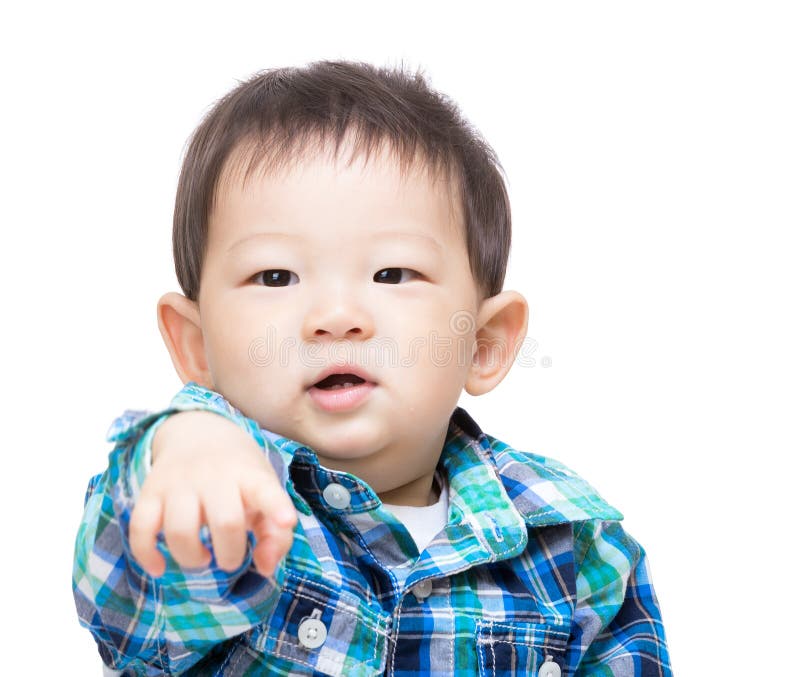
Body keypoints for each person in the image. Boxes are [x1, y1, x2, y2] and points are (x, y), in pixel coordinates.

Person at [72, 60, 672, 676]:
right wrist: (188, 446)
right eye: (275, 276)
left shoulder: (570, 541)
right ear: (197, 347)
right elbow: (123, 586)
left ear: (484, 342)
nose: (335, 316)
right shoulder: (223, 511)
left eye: (393, 274)